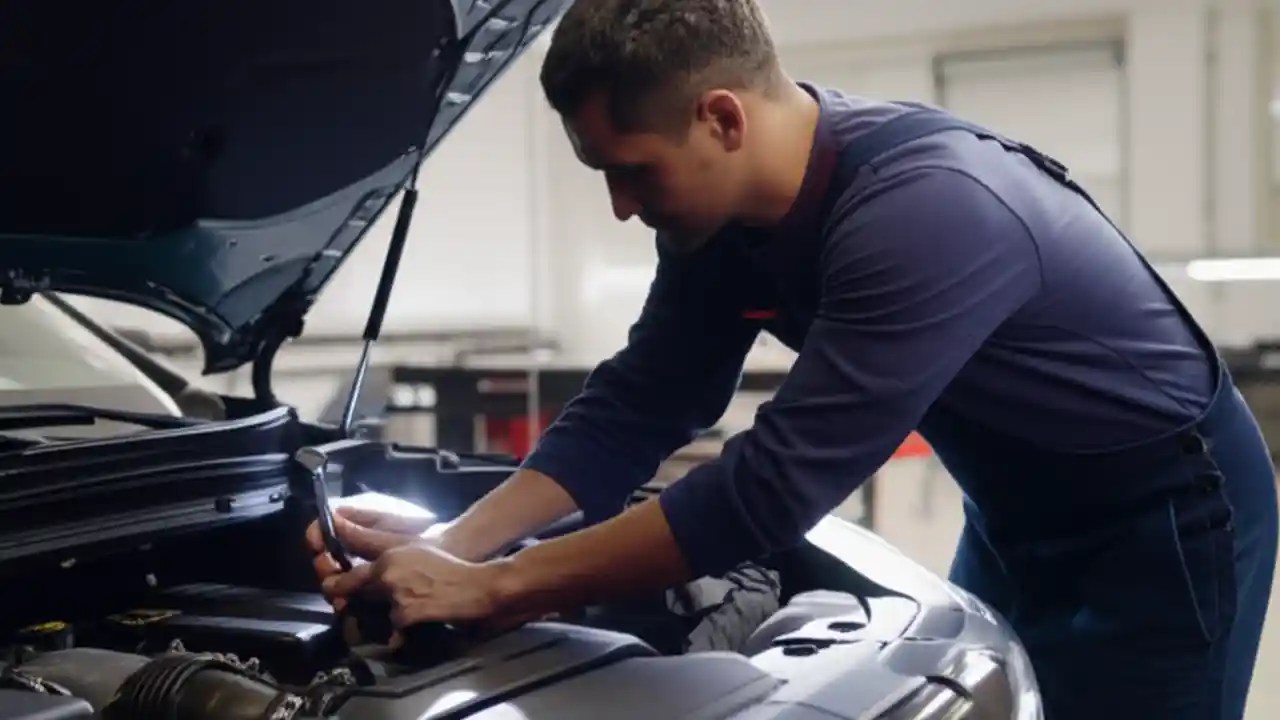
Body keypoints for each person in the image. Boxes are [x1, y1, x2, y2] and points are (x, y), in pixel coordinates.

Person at [306, 1, 1279, 717]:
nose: (621, 207)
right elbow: (640, 404)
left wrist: (500, 587)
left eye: (632, 171)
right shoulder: (719, 226)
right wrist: (459, 543)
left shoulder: (926, 210)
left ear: (722, 119)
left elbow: (768, 490)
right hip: (1011, 508)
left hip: (1159, 517)